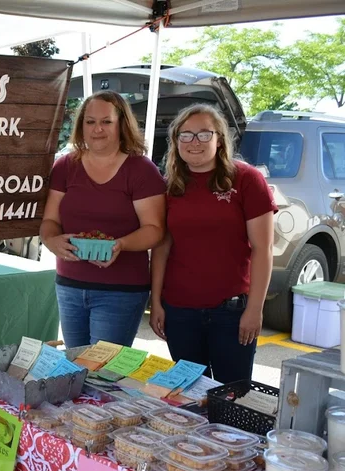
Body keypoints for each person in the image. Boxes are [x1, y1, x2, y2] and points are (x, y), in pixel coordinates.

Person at [150, 104, 276, 383]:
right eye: (186, 135)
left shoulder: (246, 179)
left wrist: (254, 309)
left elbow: (263, 249)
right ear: (175, 142)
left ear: (220, 139)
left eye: (204, 134)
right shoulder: (171, 185)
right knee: (190, 397)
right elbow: (161, 247)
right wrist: (156, 301)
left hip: (231, 313)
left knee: (232, 396)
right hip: (180, 311)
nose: (194, 142)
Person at [41, 91, 166, 348]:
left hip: (120, 291)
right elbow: (49, 220)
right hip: (69, 286)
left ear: (122, 124)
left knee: (106, 374)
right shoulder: (65, 166)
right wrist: (51, 240)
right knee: (74, 366)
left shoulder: (141, 169)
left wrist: (120, 244)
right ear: (81, 126)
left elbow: (154, 230)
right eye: (90, 122)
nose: (97, 129)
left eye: (106, 122)